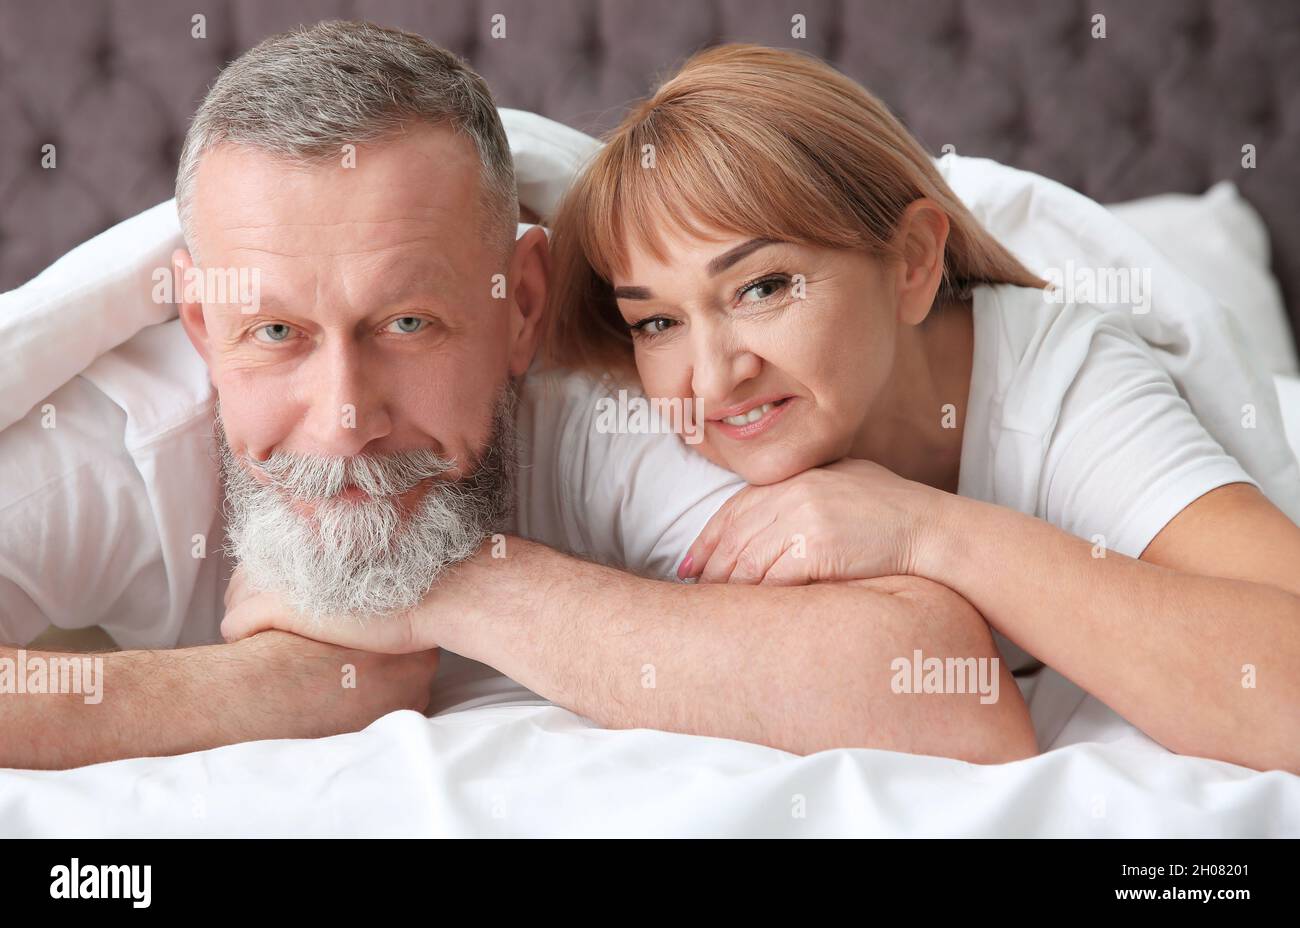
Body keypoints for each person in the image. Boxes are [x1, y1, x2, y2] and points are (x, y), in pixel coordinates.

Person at [0, 23, 1033, 769]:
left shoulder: (615, 397)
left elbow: (948, 692)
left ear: (522, 306)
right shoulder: (117, 445)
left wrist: (455, 587)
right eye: (275, 334)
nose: (345, 416)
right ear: (198, 326)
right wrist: (265, 689)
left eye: (407, 323)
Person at [526, 44, 1300, 773]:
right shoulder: (637, 426)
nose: (714, 382)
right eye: (657, 321)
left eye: (761, 287)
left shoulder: (1060, 381)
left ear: (912, 262)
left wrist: (927, 530)